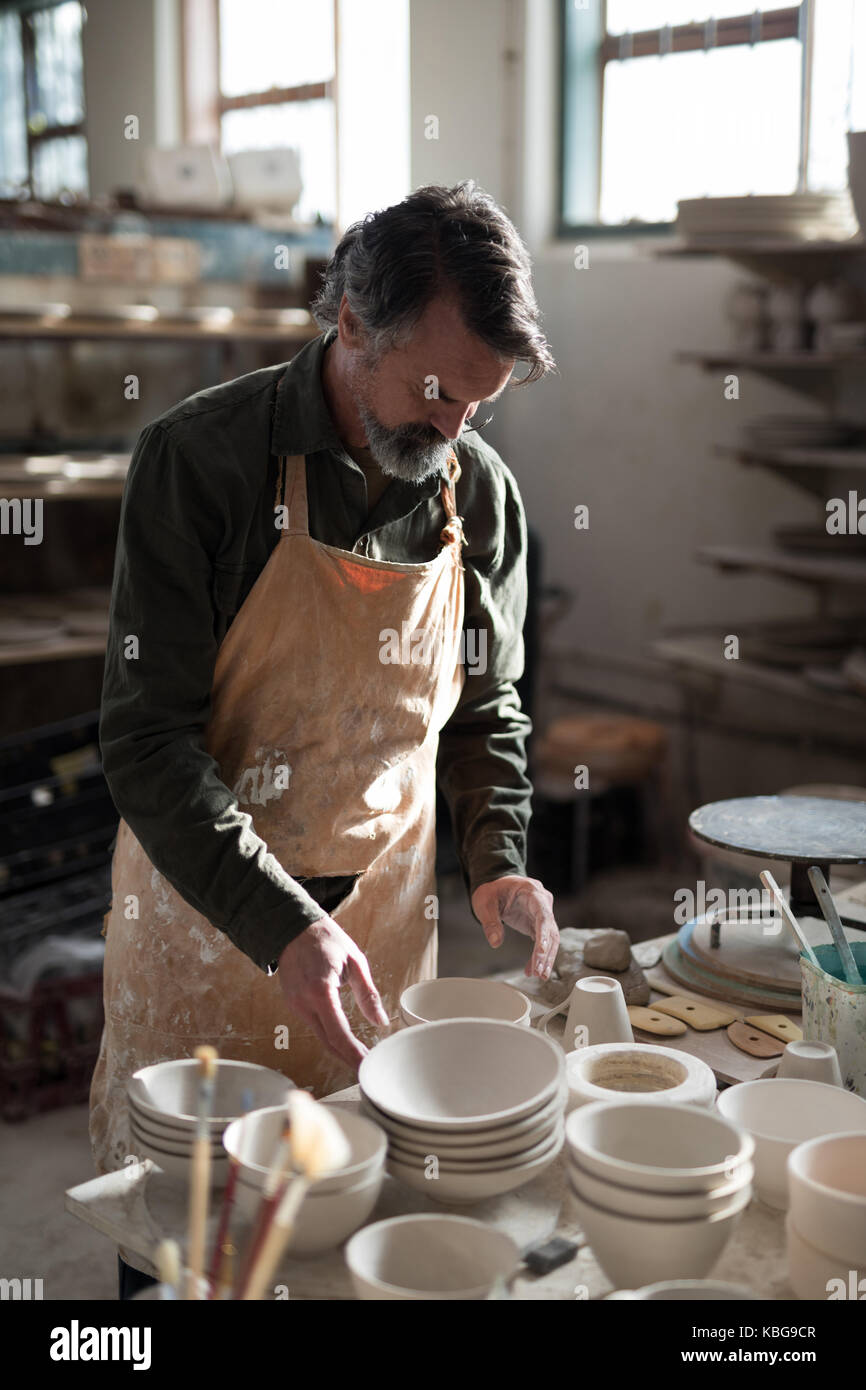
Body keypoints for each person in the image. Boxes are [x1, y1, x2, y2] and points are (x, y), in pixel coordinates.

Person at [88, 181, 560, 1293]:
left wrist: (498, 860)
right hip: (207, 936)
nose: (453, 428)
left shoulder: (478, 498)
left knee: (354, 1252)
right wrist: (279, 922)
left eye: (479, 407)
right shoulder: (200, 465)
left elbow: (486, 705)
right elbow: (146, 741)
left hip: (381, 940)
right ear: (351, 320)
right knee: (195, 1253)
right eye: (438, 389)